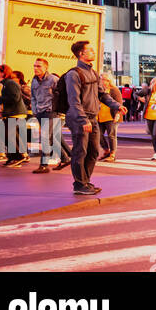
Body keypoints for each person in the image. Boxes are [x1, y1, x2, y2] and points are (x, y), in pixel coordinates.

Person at [63, 40, 123, 196]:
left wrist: (116, 105)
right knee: (79, 152)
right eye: (89, 50)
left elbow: (102, 94)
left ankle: (85, 182)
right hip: (79, 118)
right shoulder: (74, 74)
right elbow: (74, 100)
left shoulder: (93, 72)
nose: (93, 51)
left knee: (94, 151)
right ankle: (79, 184)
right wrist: (83, 120)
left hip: (92, 117)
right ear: (81, 54)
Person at [29, 59, 61, 174]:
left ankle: (44, 165)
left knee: (45, 137)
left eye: (39, 66)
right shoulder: (34, 80)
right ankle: (67, 158)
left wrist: (56, 108)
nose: (35, 68)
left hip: (51, 112)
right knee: (54, 137)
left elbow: (62, 95)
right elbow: (33, 96)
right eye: (34, 66)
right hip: (39, 112)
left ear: (46, 67)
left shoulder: (53, 79)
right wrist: (34, 110)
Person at [0, 65, 30, 167]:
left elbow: (15, 98)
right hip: (10, 113)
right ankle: (12, 157)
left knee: (9, 136)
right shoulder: (5, 84)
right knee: (7, 135)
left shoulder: (10, 83)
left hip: (15, 113)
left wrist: (0, 99)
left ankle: (19, 157)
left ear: (3, 73)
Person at [97, 72, 123, 163]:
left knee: (111, 135)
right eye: (101, 79)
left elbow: (119, 103)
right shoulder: (99, 90)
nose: (103, 82)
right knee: (98, 135)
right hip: (99, 117)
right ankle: (106, 150)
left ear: (109, 81)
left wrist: (117, 114)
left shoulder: (114, 90)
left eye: (105, 80)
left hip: (111, 117)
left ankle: (112, 154)